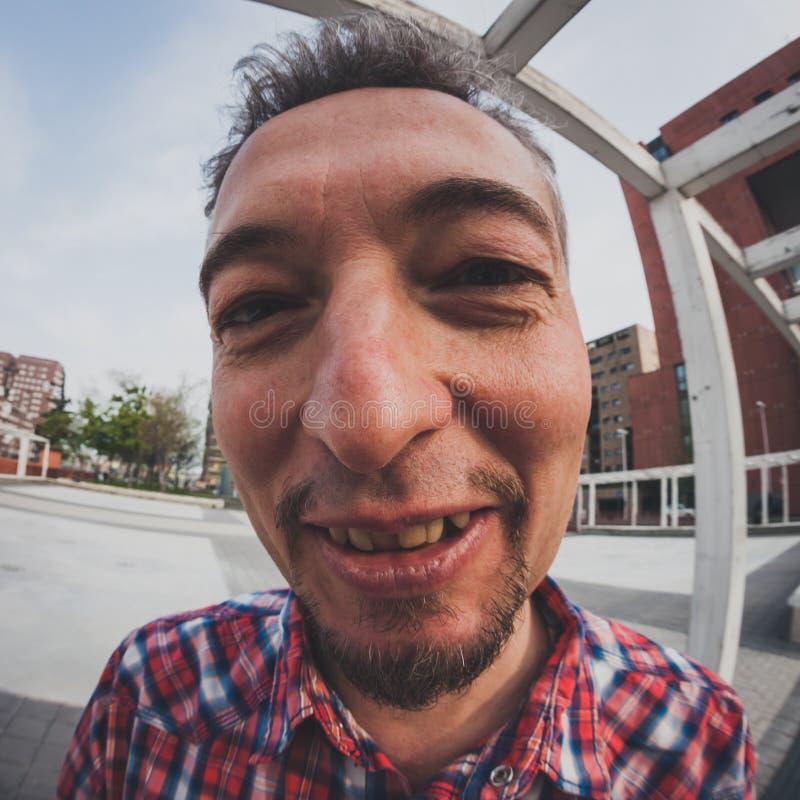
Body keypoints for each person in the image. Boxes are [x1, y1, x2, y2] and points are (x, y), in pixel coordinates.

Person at [59, 12, 754, 799]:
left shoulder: (696, 739)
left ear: (578, 342)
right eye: (257, 308)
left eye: (486, 273)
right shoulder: (145, 701)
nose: (371, 421)